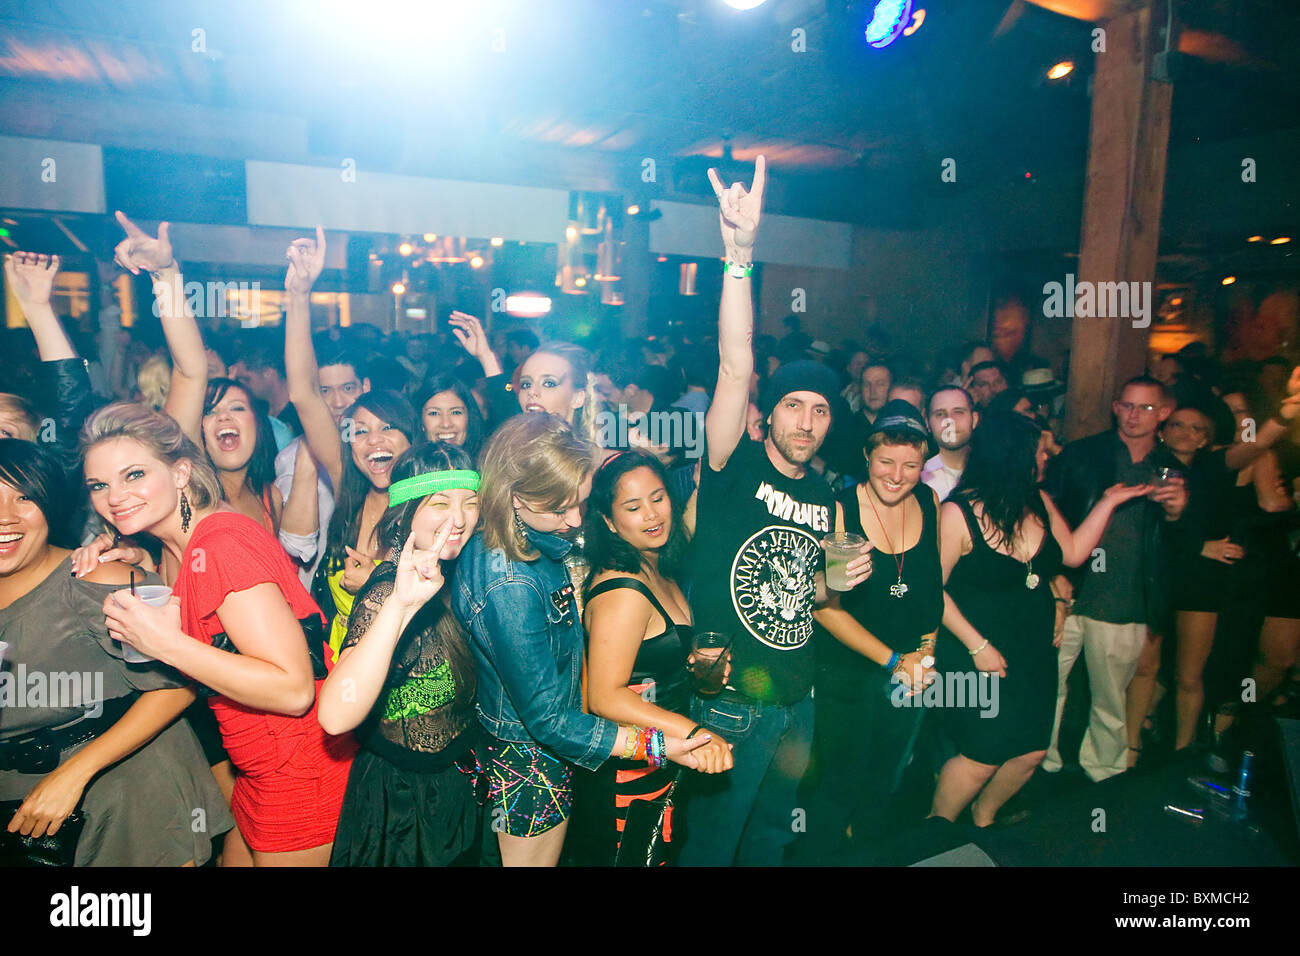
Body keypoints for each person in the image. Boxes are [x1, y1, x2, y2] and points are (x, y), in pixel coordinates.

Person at [676, 155, 873, 867]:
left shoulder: (826, 495)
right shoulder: (733, 463)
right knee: (712, 845)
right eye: (794, 404)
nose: (808, 419)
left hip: (799, 698)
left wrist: (840, 580)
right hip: (733, 698)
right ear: (771, 412)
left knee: (768, 842)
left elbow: (810, 594)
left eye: (820, 410)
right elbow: (736, 361)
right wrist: (739, 254)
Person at [82, 403, 356, 866]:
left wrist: (165, 644)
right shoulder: (185, 545)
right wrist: (131, 553)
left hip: (298, 773)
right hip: (258, 769)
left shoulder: (221, 544)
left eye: (133, 475)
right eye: (99, 484)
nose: (114, 496)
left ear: (181, 472)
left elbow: (292, 690)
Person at [452, 414, 707, 866]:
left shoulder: (532, 537)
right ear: (514, 496)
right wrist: (656, 744)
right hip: (530, 767)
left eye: (581, 503)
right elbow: (548, 719)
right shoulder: (508, 582)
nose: (573, 520)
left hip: (552, 750)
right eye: (558, 508)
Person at [0, 439, 232, 866]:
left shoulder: (96, 576)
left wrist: (74, 773)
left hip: (132, 803)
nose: (5, 517)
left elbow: (177, 686)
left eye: (24, 497)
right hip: (21, 809)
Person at [932, 412, 1150, 824]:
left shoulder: (1039, 501)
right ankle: (935, 831)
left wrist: (1108, 502)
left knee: (1030, 752)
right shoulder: (956, 514)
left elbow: (1072, 554)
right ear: (1015, 455)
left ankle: (985, 819)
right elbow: (932, 592)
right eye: (1041, 450)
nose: (1050, 457)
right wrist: (978, 647)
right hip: (974, 652)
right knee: (982, 754)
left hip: (1033, 650)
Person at [318, 443, 484, 866]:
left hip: (456, 790)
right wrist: (399, 605)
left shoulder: (457, 573)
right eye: (441, 503)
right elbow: (335, 716)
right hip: (401, 806)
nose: (459, 519)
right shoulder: (386, 590)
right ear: (406, 511)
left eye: (471, 502)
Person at [792, 400, 941, 862]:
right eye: (885, 462)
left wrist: (925, 654)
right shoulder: (838, 510)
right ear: (867, 457)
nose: (897, 475)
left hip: (910, 675)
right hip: (849, 674)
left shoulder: (931, 503)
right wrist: (895, 661)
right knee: (838, 788)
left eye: (911, 465)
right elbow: (825, 609)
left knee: (883, 785)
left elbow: (932, 591)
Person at [575, 450, 734, 865]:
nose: (651, 514)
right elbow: (604, 697)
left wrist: (702, 671)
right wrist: (694, 731)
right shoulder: (622, 589)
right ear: (609, 522)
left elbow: (651, 668)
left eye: (658, 497)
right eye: (633, 506)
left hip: (661, 757)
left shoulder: (657, 566)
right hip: (628, 770)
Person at [1042, 376, 1189, 781]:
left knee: (1110, 699)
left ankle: (1105, 774)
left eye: (1145, 408)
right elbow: (1045, 513)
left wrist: (1177, 513)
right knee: (1046, 686)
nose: (1133, 416)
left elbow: (1180, 548)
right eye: (1126, 405)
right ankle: (1037, 761)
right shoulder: (1083, 455)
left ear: (1163, 412)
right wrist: (1053, 572)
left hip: (1124, 599)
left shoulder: (1172, 471)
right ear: (1114, 406)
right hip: (1070, 590)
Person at [922, 385, 979, 501]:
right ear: (927, 423)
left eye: (958, 412)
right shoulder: (916, 476)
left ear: (975, 419)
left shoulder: (994, 471)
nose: (949, 421)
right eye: (940, 414)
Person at [415, 372, 486, 461]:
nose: (446, 424)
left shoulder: (486, 467)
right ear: (421, 422)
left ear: (469, 417)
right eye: (434, 413)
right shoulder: (409, 470)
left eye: (456, 412)